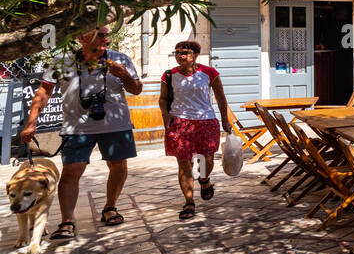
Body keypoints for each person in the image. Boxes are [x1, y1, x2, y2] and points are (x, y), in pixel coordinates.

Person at [19, 25, 143, 240]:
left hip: (116, 126)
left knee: (118, 166)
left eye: (107, 35)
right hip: (76, 127)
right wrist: (31, 123)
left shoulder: (120, 59)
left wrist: (123, 75)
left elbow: (136, 89)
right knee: (71, 171)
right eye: (100, 35)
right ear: (81, 37)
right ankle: (67, 221)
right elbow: (44, 91)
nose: (106, 39)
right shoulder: (62, 61)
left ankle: (110, 208)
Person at [159, 41, 231, 220]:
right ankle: (189, 202)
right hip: (179, 123)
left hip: (205, 121)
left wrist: (224, 120)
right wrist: (165, 115)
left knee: (207, 159)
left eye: (184, 52)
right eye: (176, 52)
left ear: (195, 55)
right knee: (184, 163)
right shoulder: (169, 75)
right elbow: (163, 98)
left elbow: (221, 97)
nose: (179, 56)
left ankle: (204, 179)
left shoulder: (209, 73)